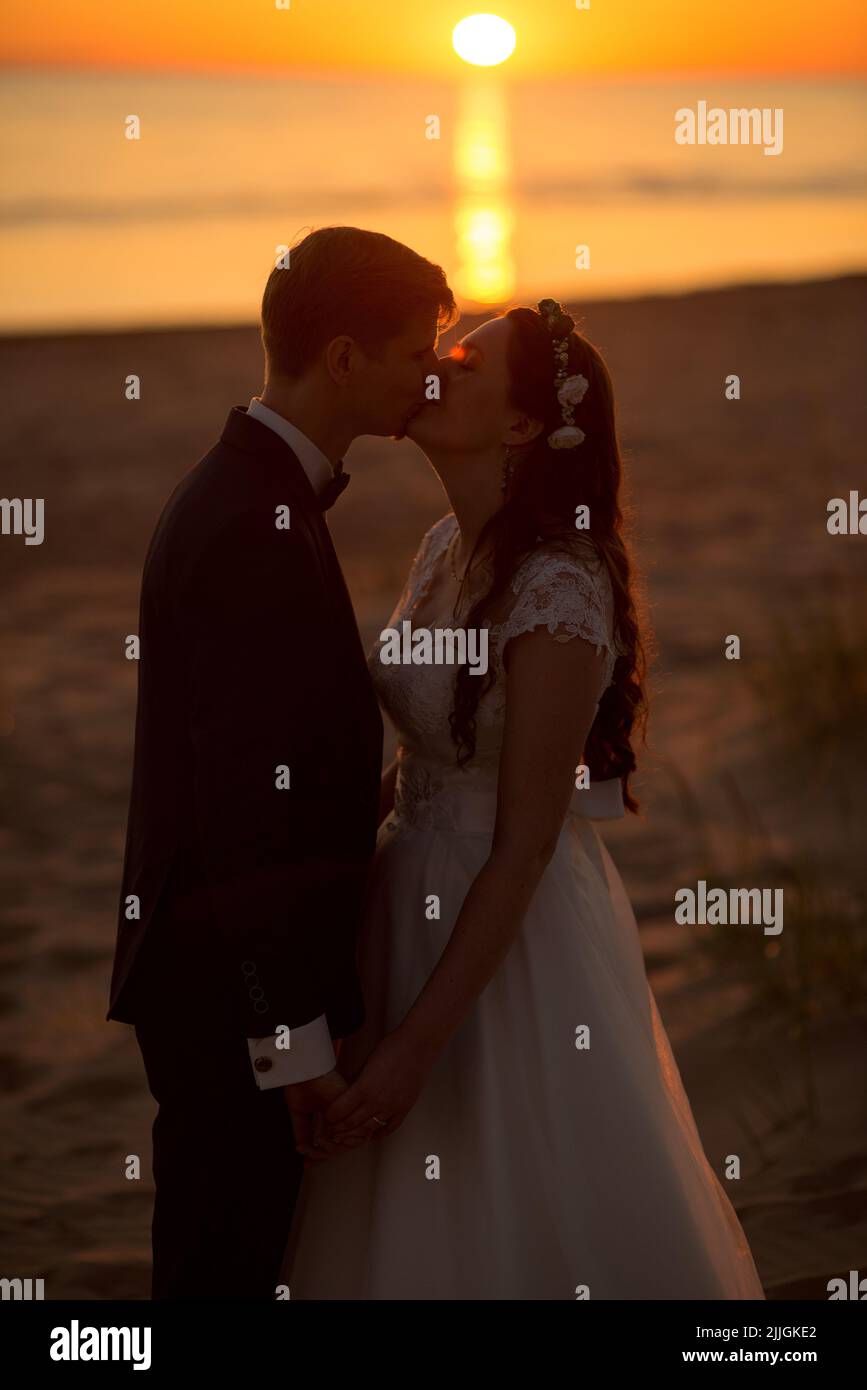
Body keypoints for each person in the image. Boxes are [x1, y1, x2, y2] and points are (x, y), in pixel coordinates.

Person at [282, 298, 767, 1299]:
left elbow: (525, 846)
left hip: (505, 933)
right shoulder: (439, 553)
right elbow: (422, 753)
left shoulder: (560, 590)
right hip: (400, 904)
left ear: (518, 427)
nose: (436, 365)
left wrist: (415, 1048)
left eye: (464, 362)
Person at [105, 225, 457, 1299]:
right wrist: (292, 1040)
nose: (432, 379)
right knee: (220, 1268)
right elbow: (240, 807)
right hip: (225, 992)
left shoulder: (255, 489)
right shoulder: (248, 521)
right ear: (345, 359)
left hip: (227, 980)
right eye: (415, 353)